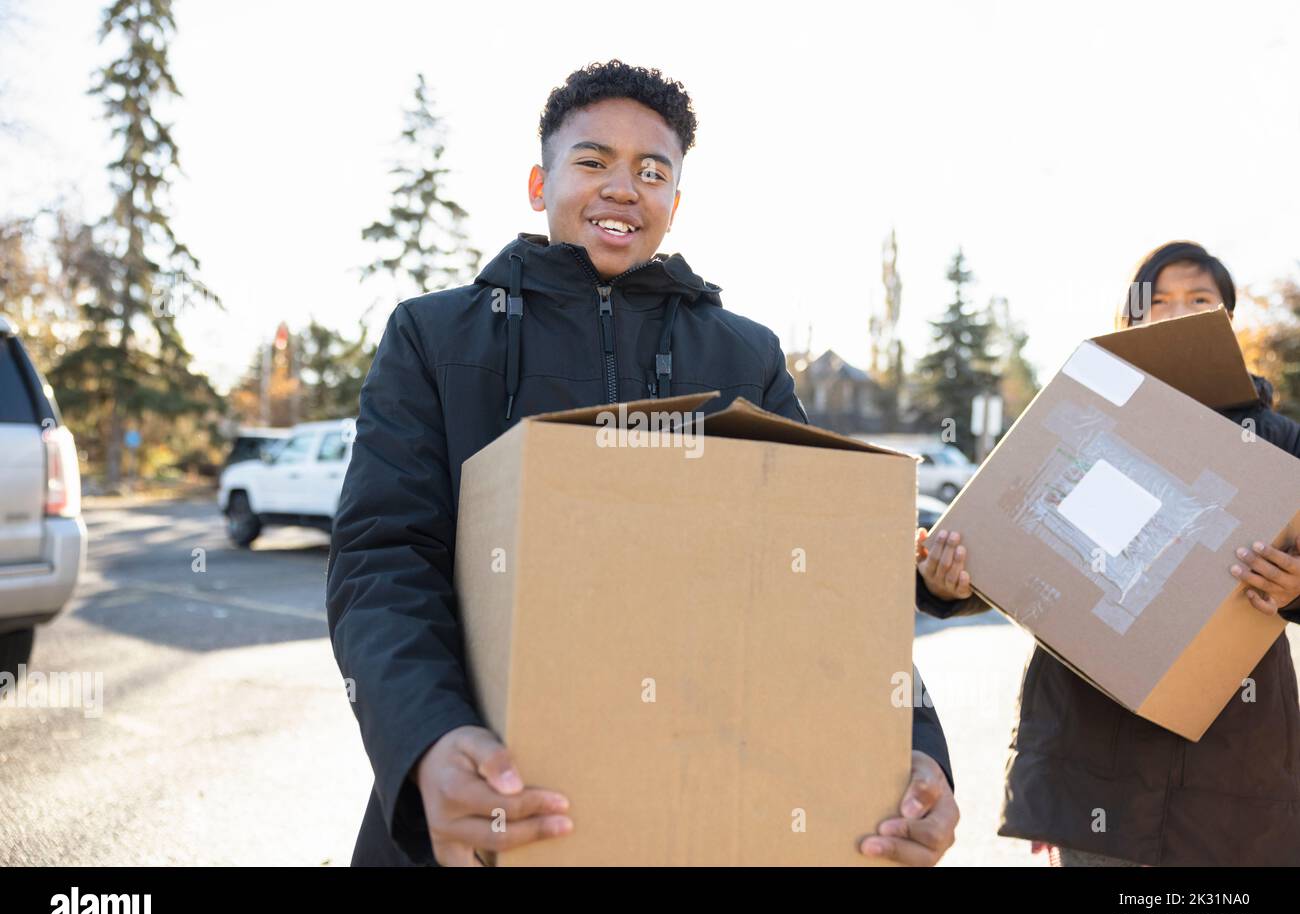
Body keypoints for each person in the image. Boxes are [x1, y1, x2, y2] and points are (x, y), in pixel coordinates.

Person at [326, 59, 960, 867]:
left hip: (704, 808)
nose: (623, 188)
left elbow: (826, 582)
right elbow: (382, 558)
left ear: (675, 202)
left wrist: (914, 751)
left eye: (651, 171)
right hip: (494, 802)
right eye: (592, 161)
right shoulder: (435, 337)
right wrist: (427, 740)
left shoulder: (744, 356)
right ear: (538, 182)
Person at [924, 240, 1300, 866]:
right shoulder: (1079, 414)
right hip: (1093, 749)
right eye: (1158, 302)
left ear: (1230, 321)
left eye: (1200, 301)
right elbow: (1012, 550)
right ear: (1129, 320)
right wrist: (943, 582)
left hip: (1234, 753)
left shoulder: (1280, 445)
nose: (1177, 314)